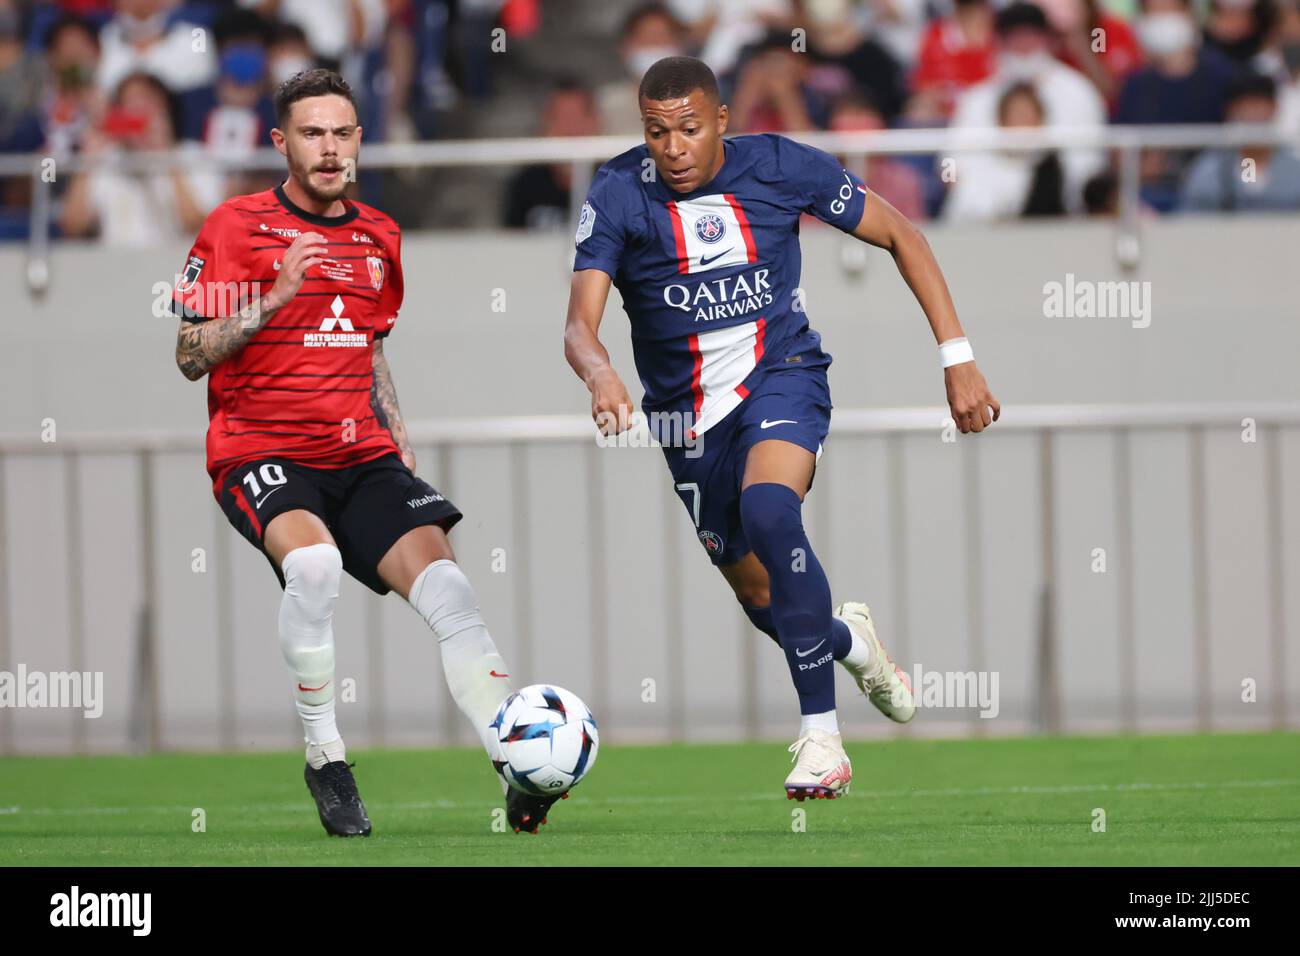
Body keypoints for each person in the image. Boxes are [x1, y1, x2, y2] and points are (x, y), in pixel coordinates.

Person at [563, 56, 999, 804]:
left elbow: (902, 235)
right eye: (657, 131)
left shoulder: (778, 166)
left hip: (783, 373)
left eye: (689, 129)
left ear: (723, 121)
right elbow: (579, 324)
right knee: (766, 602)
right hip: (685, 421)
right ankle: (853, 642)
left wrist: (957, 358)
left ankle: (822, 740)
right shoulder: (616, 192)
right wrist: (601, 372)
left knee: (771, 511)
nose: (673, 147)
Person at [171, 69, 536, 836]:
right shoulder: (234, 226)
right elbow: (189, 353)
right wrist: (270, 298)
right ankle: (326, 758)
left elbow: (368, 347)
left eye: (342, 132)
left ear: (359, 139)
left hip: (361, 455)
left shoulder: (380, 235)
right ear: (282, 143)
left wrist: (396, 431)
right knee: (312, 567)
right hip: (261, 449)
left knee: (451, 593)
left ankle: (520, 759)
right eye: (312, 133)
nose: (330, 148)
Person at [1180, 71, 1300, 210]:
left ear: (1274, 108)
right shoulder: (1209, 171)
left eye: (1258, 106)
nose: (1252, 115)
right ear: (1230, 111)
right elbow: (1191, 222)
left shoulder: (1294, 168)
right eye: (1244, 108)